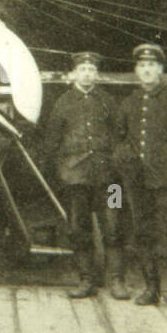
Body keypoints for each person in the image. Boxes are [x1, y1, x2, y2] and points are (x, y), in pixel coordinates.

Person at [114, 43, 167, 308]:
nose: (147, 70)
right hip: (138, 181)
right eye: (142, 66)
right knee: (143, 234)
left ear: (161, 69)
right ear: (136, 70)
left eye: (151, 65)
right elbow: (118, 139)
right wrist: (125, 160)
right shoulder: (129, 102)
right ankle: (152, 289)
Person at [43, 51, 125, 299]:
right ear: (74, 74)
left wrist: (117, 165)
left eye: (91, 70)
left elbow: (121, 136)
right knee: (79, 229)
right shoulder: (63, 103)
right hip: (75, 177)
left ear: (97, 74)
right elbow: (51, 141)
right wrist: (62, 171)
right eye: (82, 69)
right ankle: (86, 280)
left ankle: (117, 281)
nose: (87, 74)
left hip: (111, 180)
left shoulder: (108, 102)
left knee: (114, 226)